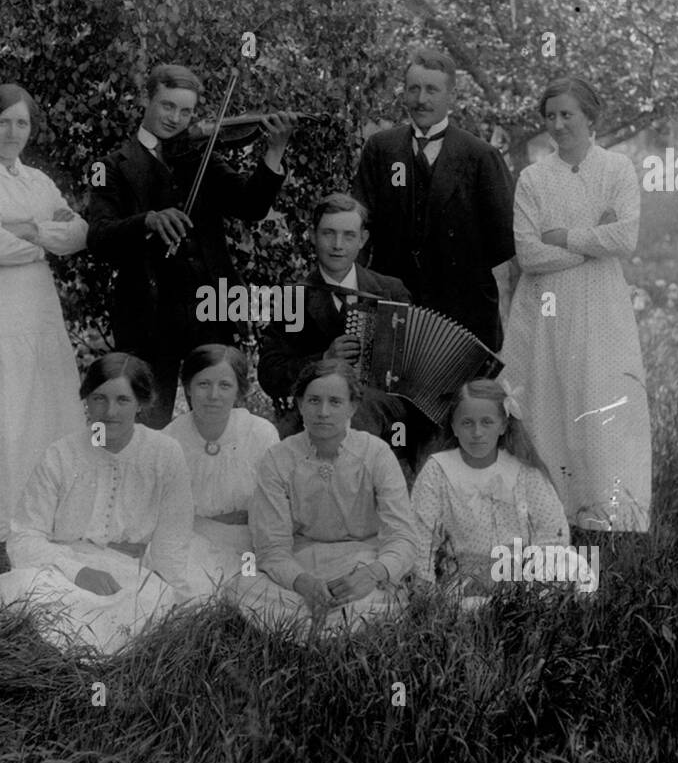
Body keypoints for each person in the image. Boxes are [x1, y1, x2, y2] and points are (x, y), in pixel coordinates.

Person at [87, 64, 299, 428]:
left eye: (186, 112)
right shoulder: (112, 166)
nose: (176, 119)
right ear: (146, 99)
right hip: (149, 312)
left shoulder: (198, 157)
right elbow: (99, 238)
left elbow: (250, 205)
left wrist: (275, 150)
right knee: (148, 423)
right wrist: (147, 220)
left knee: (221, 418)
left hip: (211, 305)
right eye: (168, 106)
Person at [500, 76, 651, 531]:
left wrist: (566, 236)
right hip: (545, 307)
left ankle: (610, 512)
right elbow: (529, 253)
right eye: (551, 116)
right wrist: (593, 240)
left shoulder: (617, 169)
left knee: (602, 396)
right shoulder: (533, 178)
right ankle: (551, 513)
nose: (559, 124)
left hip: (601, 304)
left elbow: (624, 238)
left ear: (590, 117)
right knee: (547, 397)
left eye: (568, 114)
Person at [0, 83, 88, 541]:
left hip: (38, 303)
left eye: (21, 122)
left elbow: (79, 233)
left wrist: (25, 228)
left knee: (44, 403)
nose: (12, 132)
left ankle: (50, 526)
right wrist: (41, 232)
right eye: (2, 121)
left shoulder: (36, 180)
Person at [0, 354, 197, 653]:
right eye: (99, 398)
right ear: (86, 402)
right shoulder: (61, 455)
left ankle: (89, 655)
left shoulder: (165, 454)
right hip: (64, 568)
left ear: (141, 403)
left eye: (123, 400)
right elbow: (23, 537)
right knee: (30, 588)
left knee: (148, 603)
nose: (110, 411)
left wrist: (172, 599)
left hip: (132, 571)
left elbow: (173, 540)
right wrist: (78, 572)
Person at [238, 359, 421, 632]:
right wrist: (304, 583)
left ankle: (321, 625)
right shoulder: (277, 459)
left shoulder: (377, 453)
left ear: (353, 407)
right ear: (299, 404)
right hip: (301, 563)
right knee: (246, 586)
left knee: (377, 595)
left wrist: (371, 575)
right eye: (313, 401)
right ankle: (327, 623)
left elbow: (403, 537)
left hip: (361, 561)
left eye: (335, 402)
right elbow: (271, 548)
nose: (323, 412)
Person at [351, 47, 515, 351]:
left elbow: (503, 238)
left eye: (432, 90)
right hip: (392, 305)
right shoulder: (380, 149)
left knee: (458, 396)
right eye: (414, 89)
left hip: (463, 309)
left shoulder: (481, 156)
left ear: (450, 96)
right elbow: (360, 223)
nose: (421, 99)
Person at [257, 193, 424, 456]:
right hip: (316, 407)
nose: (337, 245)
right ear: (313, 236)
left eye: (348, 235)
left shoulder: (390, 290)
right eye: (328, 233)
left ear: (363, 239)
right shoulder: (295, 298)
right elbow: (270, 373)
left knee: (357, 414)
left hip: (383, 410)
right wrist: (322, 359)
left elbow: (416, 362)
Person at [411, 379, 570, 599]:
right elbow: (421, 536)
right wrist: (424, 587)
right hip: (463, 578)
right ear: (454, 427)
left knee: (566, 588)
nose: (477, 432)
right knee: (470, 607)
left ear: (503, 425)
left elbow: (554, 533)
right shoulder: (439, 469)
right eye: (467, 423)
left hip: (523, 572)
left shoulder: (523, 470)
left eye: (487, 422)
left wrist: (513, 572)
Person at [162, 345, 279, 589]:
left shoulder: (259, 433)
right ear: (188, 388)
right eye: (203, 384)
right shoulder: (169, 440)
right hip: (193, 541)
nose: (213, 395)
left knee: (257, 590)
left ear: (239, 391)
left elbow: (274, 503)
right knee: (193, 589)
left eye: (225, 385)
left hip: (250, 542)